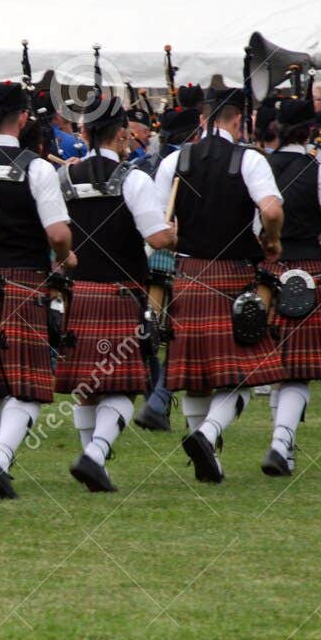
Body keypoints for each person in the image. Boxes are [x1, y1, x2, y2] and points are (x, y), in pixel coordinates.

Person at [155, 87, 284, 483]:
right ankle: (206, 436)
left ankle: (203, 454)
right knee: (245, 375)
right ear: (237, 121)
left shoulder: (174, 161)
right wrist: (272, 239)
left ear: (203, 119)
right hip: (232, 278)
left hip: (188, 276)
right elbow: (272, 209)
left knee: (196, 377)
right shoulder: (250, 160)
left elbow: (161, 225)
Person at [55, 100, 174, 492]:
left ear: (85, 133)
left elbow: (54, 234)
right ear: (121, 133)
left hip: (80, 293)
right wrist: (173, 232)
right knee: (123, 387)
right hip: (121, 294)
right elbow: (157, 239)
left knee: (86, 388)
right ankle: (94, 455)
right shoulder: (133, 179)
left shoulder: (65, 179)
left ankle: (94, 463)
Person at [0, 82, 75, 500]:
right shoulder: (38, 168)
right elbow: (57, 232)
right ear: (24, 119)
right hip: (23, 282)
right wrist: (64, 254)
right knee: (28, 387)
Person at [259, 97, 321, 474]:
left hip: (265, 271)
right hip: (308, 272)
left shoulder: (257, 168)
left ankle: (284, 445)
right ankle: (282, 443)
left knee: (272, 363)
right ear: (310, 131)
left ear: (276, 128)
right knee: (297, 370)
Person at [131, 105, 202, 433]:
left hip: (147, 261)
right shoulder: (200, 163)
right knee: (183, 339)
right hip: (188, 261)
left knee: (149, 335)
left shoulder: (141, 165)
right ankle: (159, 400)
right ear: (195, 132)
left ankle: (154, 395)